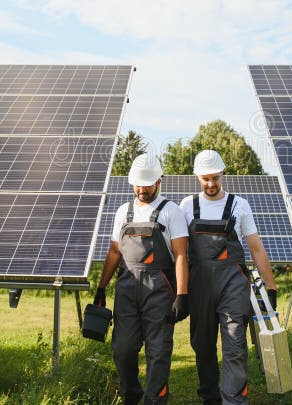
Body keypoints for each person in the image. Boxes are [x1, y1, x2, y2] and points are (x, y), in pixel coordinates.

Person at [180, 150, 277, 405]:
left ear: (223, 174)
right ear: (198, 177)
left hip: (233, 285)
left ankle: (234, 401)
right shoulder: (187, 206)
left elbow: (255, 248)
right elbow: (177, 251)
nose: (211, 184)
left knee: (234, 346)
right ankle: (210, 399)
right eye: (205, 179)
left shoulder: (239, 204)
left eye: (215, 177)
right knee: (203, 347)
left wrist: (271, 288)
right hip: (199, 286)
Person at [94, 153, 190, 405]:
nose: (141, 189)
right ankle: (132, 395)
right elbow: (115, 252)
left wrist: (182, 295)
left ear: (159, 181)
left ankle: (155, 400)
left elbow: (181, 255)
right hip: (126, 289)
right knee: (122, 349)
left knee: (158, 352)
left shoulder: (172, 212)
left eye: (147, 184)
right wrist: (102, 288)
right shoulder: (122, 212)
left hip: (160, 291)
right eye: (137, 184)